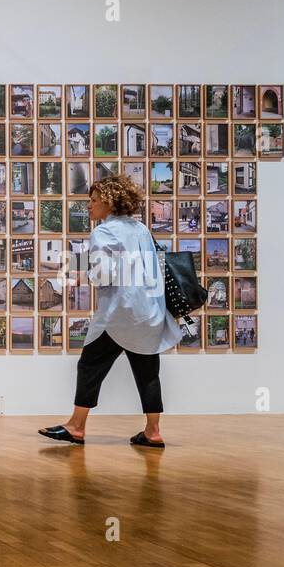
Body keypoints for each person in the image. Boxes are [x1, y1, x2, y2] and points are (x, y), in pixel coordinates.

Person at [38, 175, 181, 448]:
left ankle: (76, 427)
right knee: (148, 374)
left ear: (109, 202)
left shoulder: (103, 232)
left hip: (119, 315)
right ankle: (153, 432)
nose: (89, 207)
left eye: (93, 201)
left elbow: (104, 275)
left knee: (89, 366)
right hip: (150, 313)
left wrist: (81, 275)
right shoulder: (140, 229)